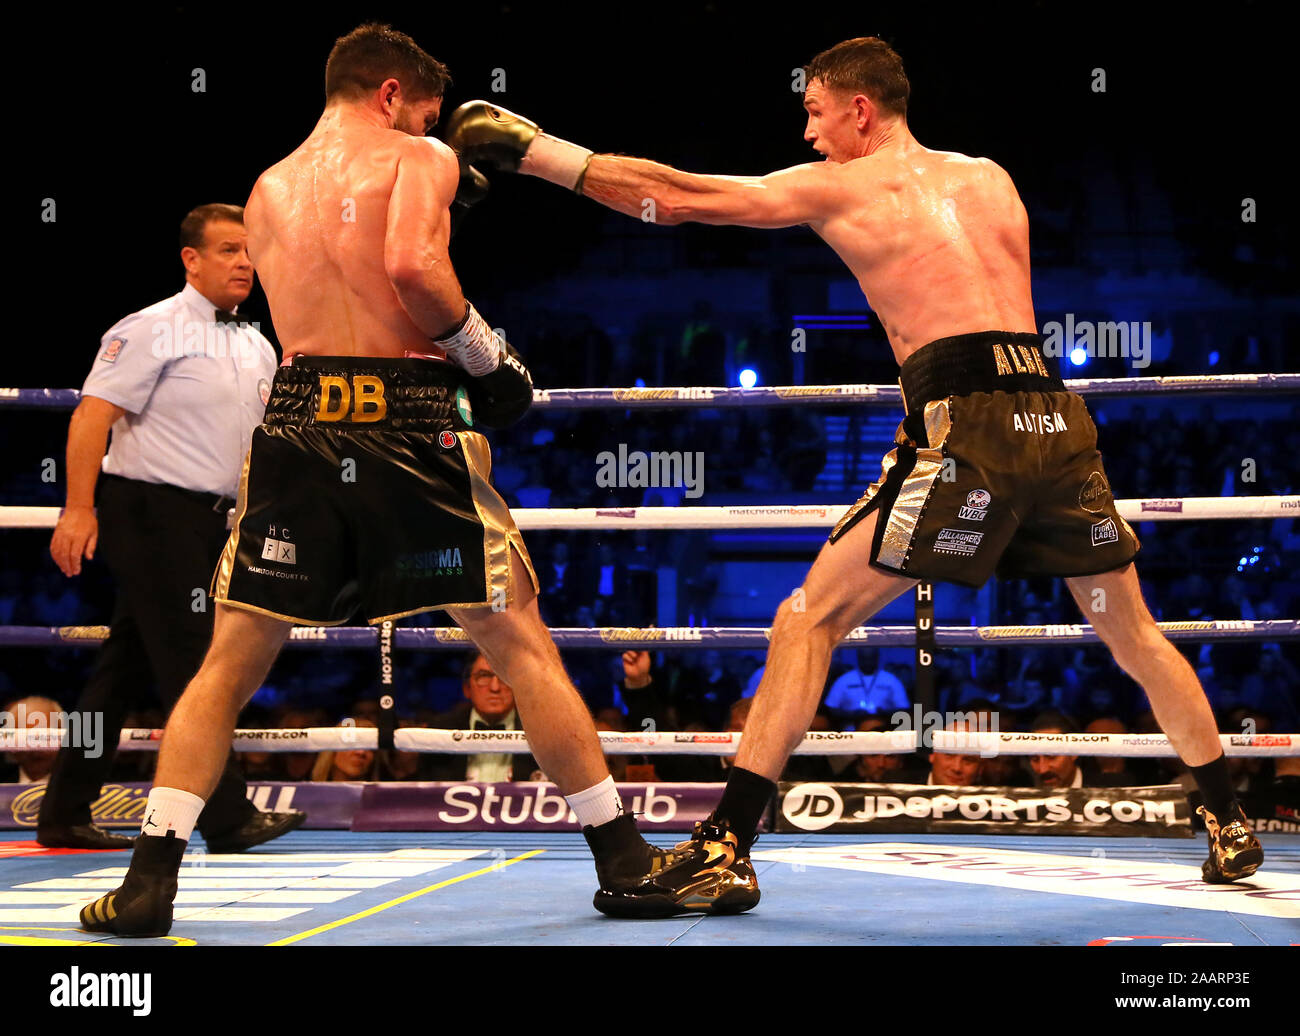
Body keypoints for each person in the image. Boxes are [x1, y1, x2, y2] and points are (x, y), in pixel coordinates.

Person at [449, 35, 1263, 913]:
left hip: (968, 430)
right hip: (1054, 420)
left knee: (807, 619)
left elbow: (678, 199)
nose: (809, 135)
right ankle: (1227, 820)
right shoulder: (991, 178)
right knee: (1132, 632)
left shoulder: (844, 185)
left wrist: (538, 153)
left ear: (859, 111)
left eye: (815, 113)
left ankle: (726, 844)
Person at [80, 24, 678, 939]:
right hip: (407, 412)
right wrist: (491, 358)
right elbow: (408, 268)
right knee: (517, 637)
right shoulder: (417, 155)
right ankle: (625, 859)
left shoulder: (267, 188)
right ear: (395, 94)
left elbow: (327, 290)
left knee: (229, 660)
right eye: (429, 113)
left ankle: (150, 879)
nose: (434, 130)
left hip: (300, 414)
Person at [41, 203, 302, 853]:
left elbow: (263, 441)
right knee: (195, 658)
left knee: (124, 667)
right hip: (151, 512)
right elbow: (91, 418)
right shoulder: (151, 328)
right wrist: (78, 508)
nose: (245, 263)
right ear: (191, 259)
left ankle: (65, 809)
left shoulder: (256, 341)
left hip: (218, 520)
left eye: (250, 252)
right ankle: (227, 816)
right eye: (228, 251)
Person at [423, 652, 540, 782]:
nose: (495, 688)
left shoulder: (540, 733)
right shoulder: (441, 729)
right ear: (467, 688)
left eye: (504, 676)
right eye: (484, 676)